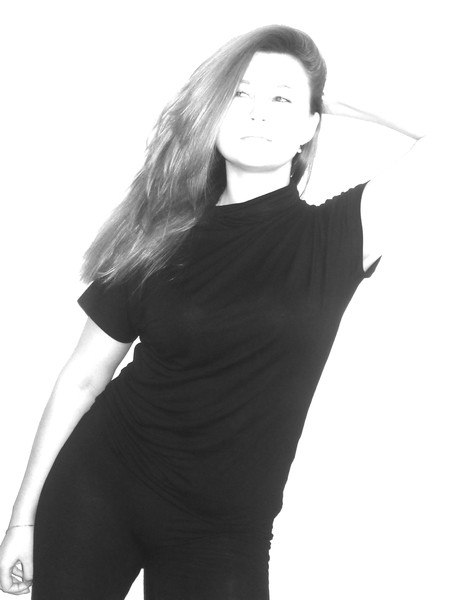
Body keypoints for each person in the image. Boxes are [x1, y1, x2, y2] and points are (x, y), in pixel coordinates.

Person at [0, 23, 430, 600]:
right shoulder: (158, 236)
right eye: (239, 93)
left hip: (223, 532)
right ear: (213, 113)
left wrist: (321, 91)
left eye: (281, 100)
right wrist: (21, 521)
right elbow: (82, 377)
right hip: (99, 485)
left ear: (312, 126)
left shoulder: (338, 234)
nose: (257, 112)